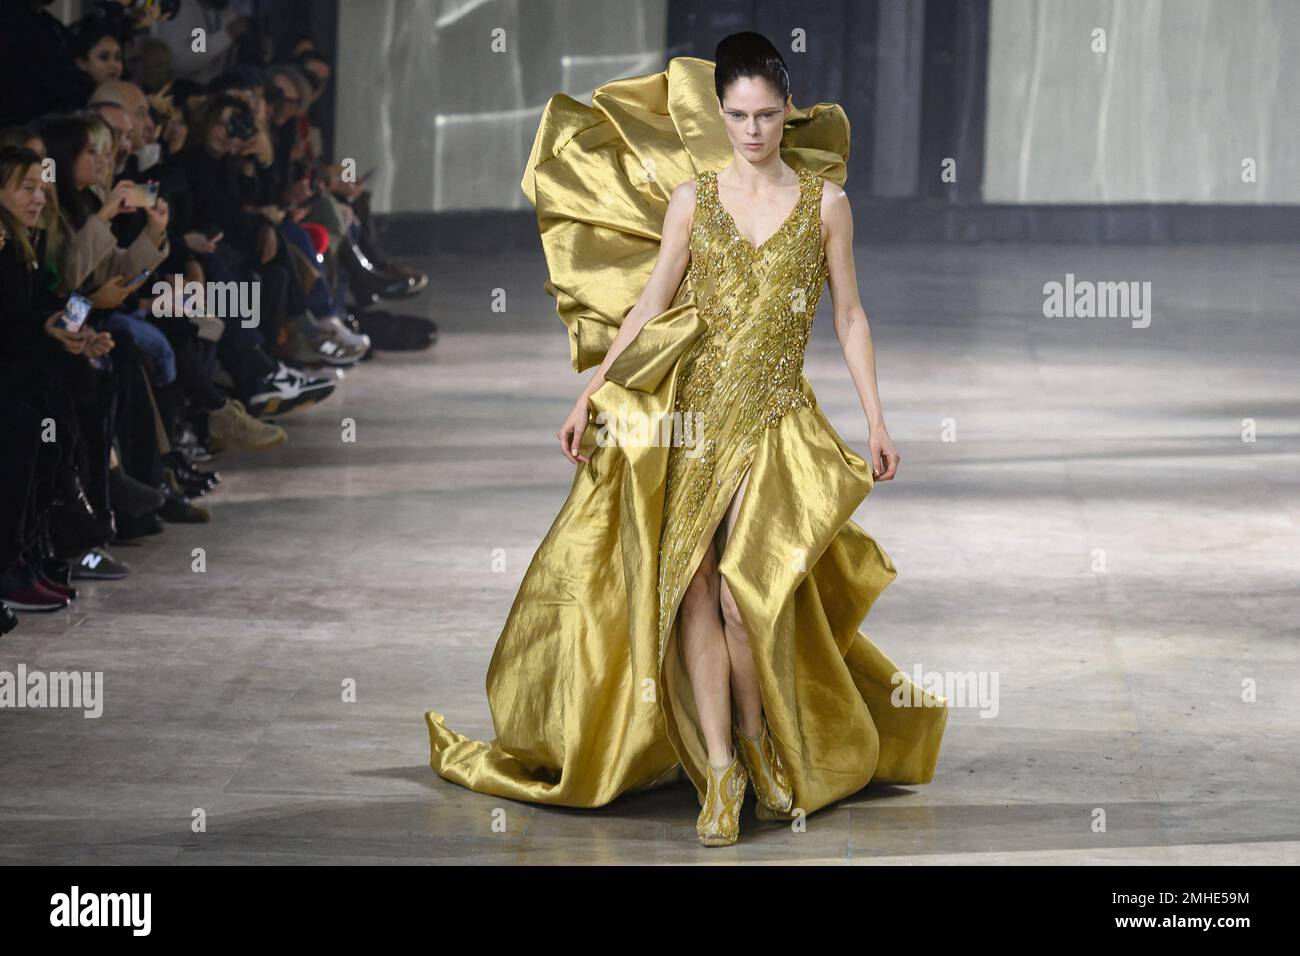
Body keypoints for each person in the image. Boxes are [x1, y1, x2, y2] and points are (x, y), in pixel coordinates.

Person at [424, 34, 949, 847]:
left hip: (774, 420)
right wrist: (590, 392)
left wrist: (877, 418)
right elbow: (648, 308)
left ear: (786, 111)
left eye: (766, 115)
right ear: (720, 114)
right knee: (692, 590)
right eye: (737, 115)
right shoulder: (692, 201)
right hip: (690, 421)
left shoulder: (826, 205)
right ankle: (721, 770)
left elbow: (849, 316)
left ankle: (757, 737)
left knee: (745, 596)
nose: (752, 131)